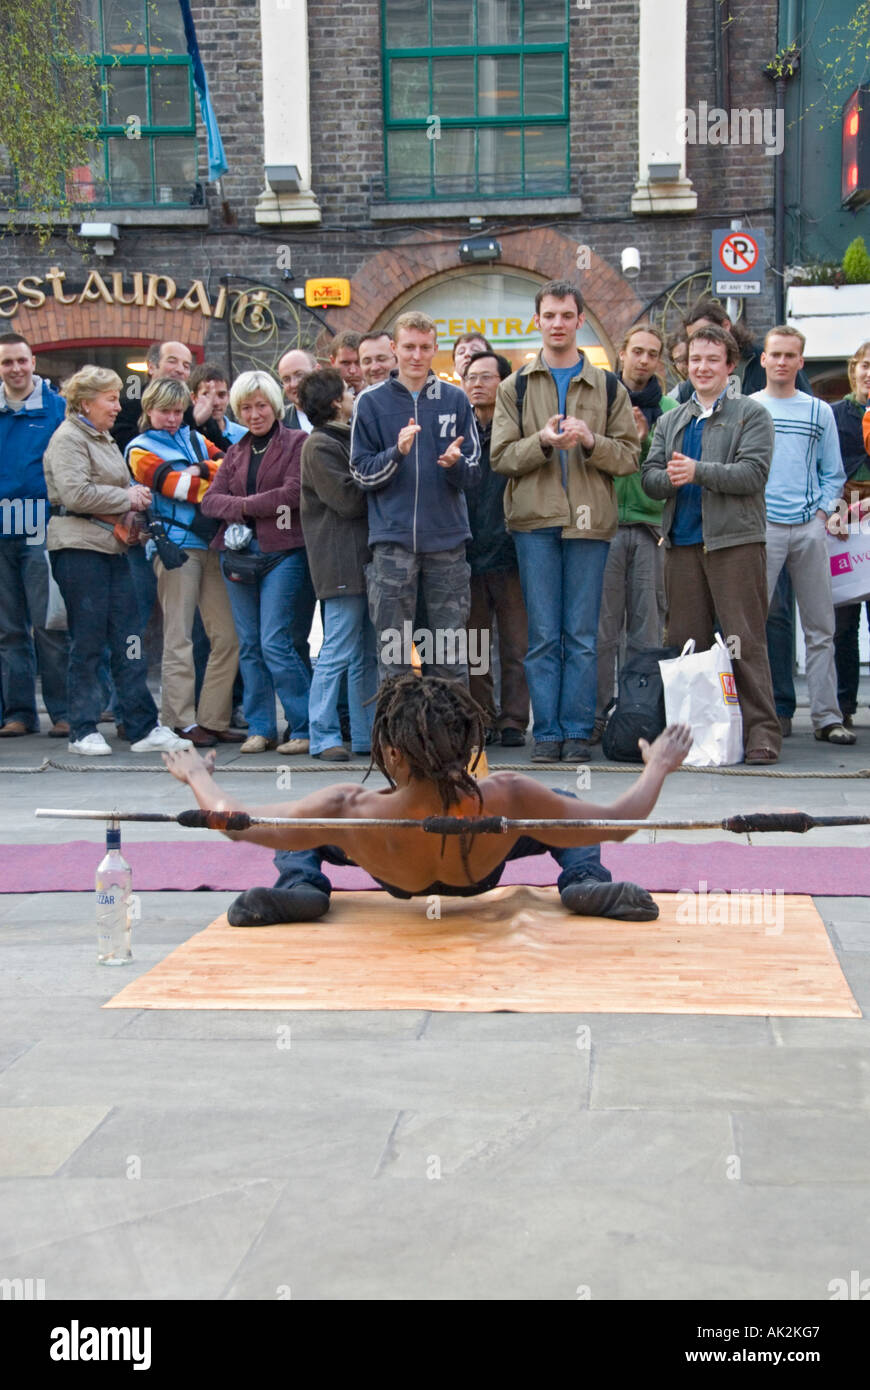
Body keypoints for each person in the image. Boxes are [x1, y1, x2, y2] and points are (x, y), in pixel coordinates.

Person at [163, 673, 692, 925]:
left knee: (306, 831)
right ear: (467, 746)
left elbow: (235, 822)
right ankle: (584, 881)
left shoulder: (348, 809)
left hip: (392, 865)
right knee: (551, 807)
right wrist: (657, 769)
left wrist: (195, 776)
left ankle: (303, 886)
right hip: (482, 860)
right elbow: (619, 823)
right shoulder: (507, 794)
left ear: (391, 752)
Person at [491, 280, 639, 762]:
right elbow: (501, 459)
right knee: (542, 636)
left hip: (588, 523)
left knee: (581, 634)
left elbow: (629, 458)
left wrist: (592, 441)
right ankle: (547, 733)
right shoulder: (513, 386)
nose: (557, 323)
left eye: (566, 315)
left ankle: (577, 731)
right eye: (549, 315)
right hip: (534, 522)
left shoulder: (608, 384)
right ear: (538, 321)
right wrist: (542, 442)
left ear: (580, 321)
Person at [642, 324, 781, 764]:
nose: (701, 367)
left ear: (730, 366)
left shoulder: (751, 414)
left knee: (745, 640)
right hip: (681, 545)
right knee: (687, 645)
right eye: (694, 360)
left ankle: (762, 733)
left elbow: (753, 475)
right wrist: (671, 478)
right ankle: (693, 739)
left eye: (711, 360)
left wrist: (698, 471)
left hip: (735, 544)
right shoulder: (671, 419)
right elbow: (649, 477)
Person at [43, 366, 192, 756]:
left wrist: (131, 500)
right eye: (110, 398)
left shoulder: (102, 437)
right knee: (88, 638)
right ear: (85, 402)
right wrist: (128, 498)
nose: (117, 405)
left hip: (113, 548)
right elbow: (75, 494)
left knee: (129, 636)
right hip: (78, 549)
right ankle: (83, 728)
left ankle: (142, 724)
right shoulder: (68, 438)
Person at [350, 310, 480, 683]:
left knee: (450, 655)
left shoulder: (455, 399)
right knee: (394, 659)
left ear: (436, 349)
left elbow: (474, 472)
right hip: (392, 545)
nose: (417, 356)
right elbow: (360, 472)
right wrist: (397, 453)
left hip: (447, 541)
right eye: (409, 347)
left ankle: (451, 741)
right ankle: (399, 743)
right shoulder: (370, 402)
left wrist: (455, 464)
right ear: (394, 348)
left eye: (425, 348)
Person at [200, 370, 316, 755]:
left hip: (284, 553)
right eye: (246, 407)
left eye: (261, 405)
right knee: (248, 644)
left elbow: (294, 493)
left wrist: (245, 507)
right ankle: (261, 728)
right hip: (239, 556)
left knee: (275, 641)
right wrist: (249, 508)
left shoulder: (298, 442)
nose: (254, 414)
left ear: (275, 405)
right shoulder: (235, 452)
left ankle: (303, 726)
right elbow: (210, 501)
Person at [126, 378, 243, 748]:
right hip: (174, 547)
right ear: (149, 410)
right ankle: (179, 720)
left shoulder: (194, 438)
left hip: (209, 542)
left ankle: (211, 719)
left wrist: (201, 470)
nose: (173, 418)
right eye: (165, 411)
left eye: (178, 411)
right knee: (178, 636)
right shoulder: (139, 449)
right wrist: (208, 474)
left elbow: (234, 469)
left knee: (227, 635)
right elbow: (176, 487)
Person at [751, 326, 852, 746]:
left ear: (800, 362)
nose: (781, 362)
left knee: (820, 627)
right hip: (764, 527)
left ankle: (827, 717)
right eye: (775, 354)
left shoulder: (819, 412)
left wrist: (823, 512)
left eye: (790, 355)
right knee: (754, 626)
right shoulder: (748, 408)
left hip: (808, 528)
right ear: (763, 360)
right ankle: (761, 717)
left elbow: (834, 472)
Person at [594, 324, 676, 740]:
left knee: (645, 631)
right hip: (604, 526)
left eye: (652, 354)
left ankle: (641, 714)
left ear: (658, 361)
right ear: (621, 353)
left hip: (649, 528)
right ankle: (594, 718)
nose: (644, 359)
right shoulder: (599, 399)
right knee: (601, 631)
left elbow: (664, 473)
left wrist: (641, 444)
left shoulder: (668, 407)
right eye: (637, 351)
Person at [298, 367, 377, 760]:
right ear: (334, 403)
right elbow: (347, 500)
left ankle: (365, 737)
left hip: (360, 560)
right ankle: (323, 735)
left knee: (366, 653)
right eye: (347, 390)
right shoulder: (319, 446)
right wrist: (384, 477)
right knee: (338, 650)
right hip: (340, 563)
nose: (352, 394)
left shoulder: (343, 439)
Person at [0, 331, 69, 739]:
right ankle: (20, 714)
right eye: (7, 362)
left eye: (21, 361)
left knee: (49, 624)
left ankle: (62, 712)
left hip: (39, 527)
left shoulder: (57, 409)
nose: (15, 369)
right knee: (8, 630)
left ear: (33, 362)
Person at [461, 349, 530, 746]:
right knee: (473, 646)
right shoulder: (457, 431)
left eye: (487, 377)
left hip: (511, 550)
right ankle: (480, 717)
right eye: (470, 377)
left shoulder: (516, 429)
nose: (477, 384)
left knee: (517, 644)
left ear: (504, 384)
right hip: (466, 553)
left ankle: (514, 721)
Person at [831, 342, 870, 728]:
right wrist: (837, 509)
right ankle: (844, 705)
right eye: (866, 365)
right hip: (843, 525)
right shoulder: (834, 414)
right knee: (843, 626)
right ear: (854, 369)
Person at [670, 298, 812, 403]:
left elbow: (803, 403)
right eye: (694, 338)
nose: (701, 341)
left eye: (706, 333)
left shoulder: (766, 361)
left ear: (726, 326)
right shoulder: (698, 375)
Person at [112, 340, 231, 454]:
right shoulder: (125, 409)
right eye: (172, 361)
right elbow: (127, 450)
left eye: (186, 366)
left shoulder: (190, 411)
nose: (180, 370)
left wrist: (204, 423)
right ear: (151, 367)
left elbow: (226, 456)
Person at [189, 363, 248, 445]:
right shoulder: (186, 438)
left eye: (221, 395)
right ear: (194, 398)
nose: (215, 402)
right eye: (207, 395)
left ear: (228, 397)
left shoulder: (245, 436)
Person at [278, 348, 318, 431]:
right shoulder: (279, 424)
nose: (293, 384)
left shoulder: (340, 413)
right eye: (286, 379)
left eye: (299, 375)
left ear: (317, 371)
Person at [328, 331, 363, 396]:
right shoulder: (320, 394)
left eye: (358, 363)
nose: (352, 371)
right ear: (332, 361)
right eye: (345, 363)